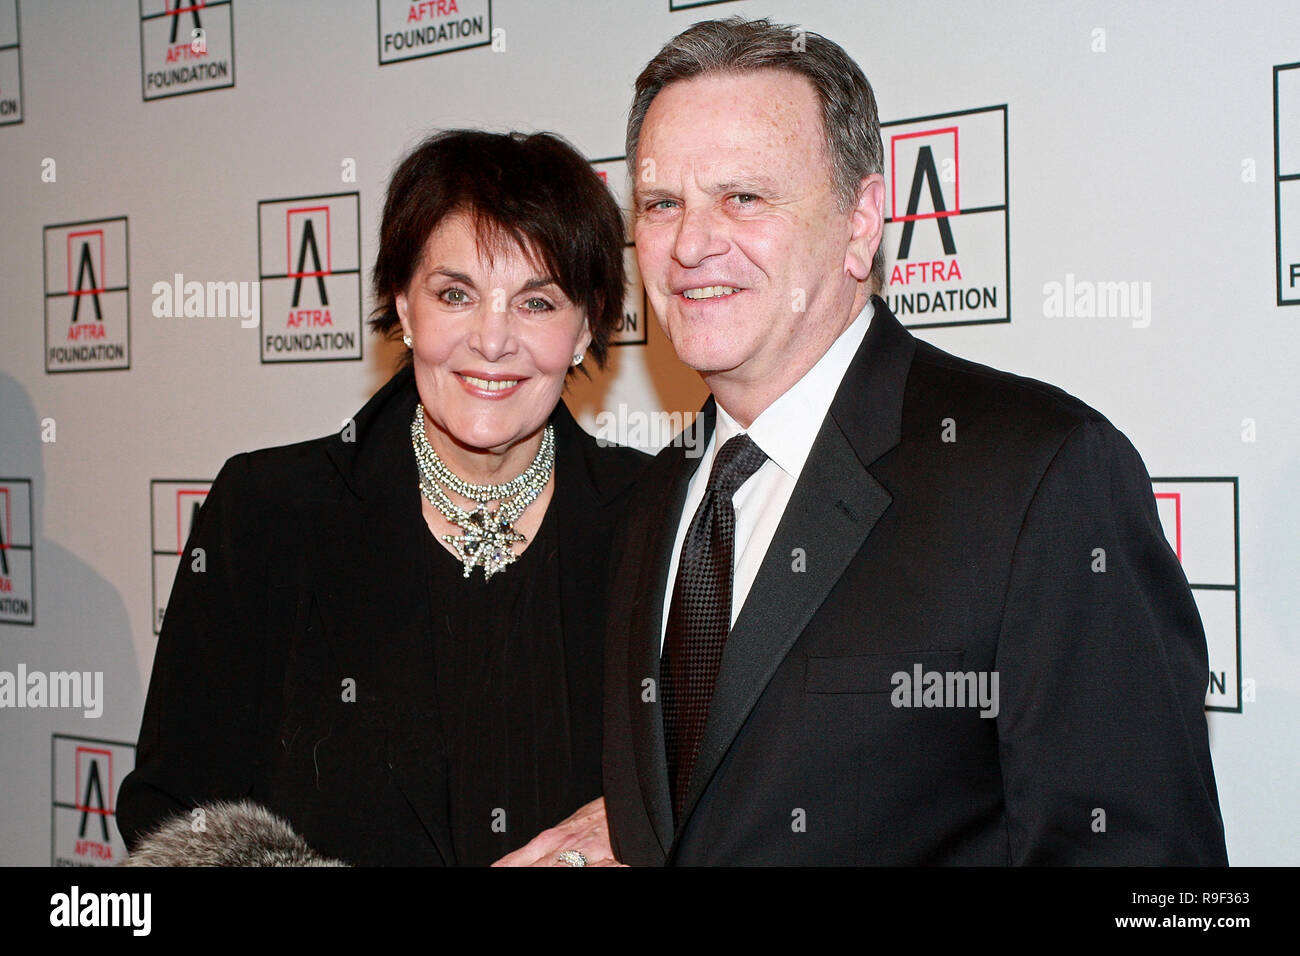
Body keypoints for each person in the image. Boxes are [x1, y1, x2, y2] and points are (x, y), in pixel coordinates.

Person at [600, 17, 1230, 865]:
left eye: (743, 197)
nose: (690, 243)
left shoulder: (1039, 475)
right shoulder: (651, 502)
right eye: (661, 203)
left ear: (863, 220)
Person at [117, 129, 646, 866]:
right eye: (455, 294)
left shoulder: (656, 519)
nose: (492, 341)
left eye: (536, 302)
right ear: (403, 306)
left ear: (587, 324)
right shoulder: (267, 513)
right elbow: (175, 816)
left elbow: (725, 783)